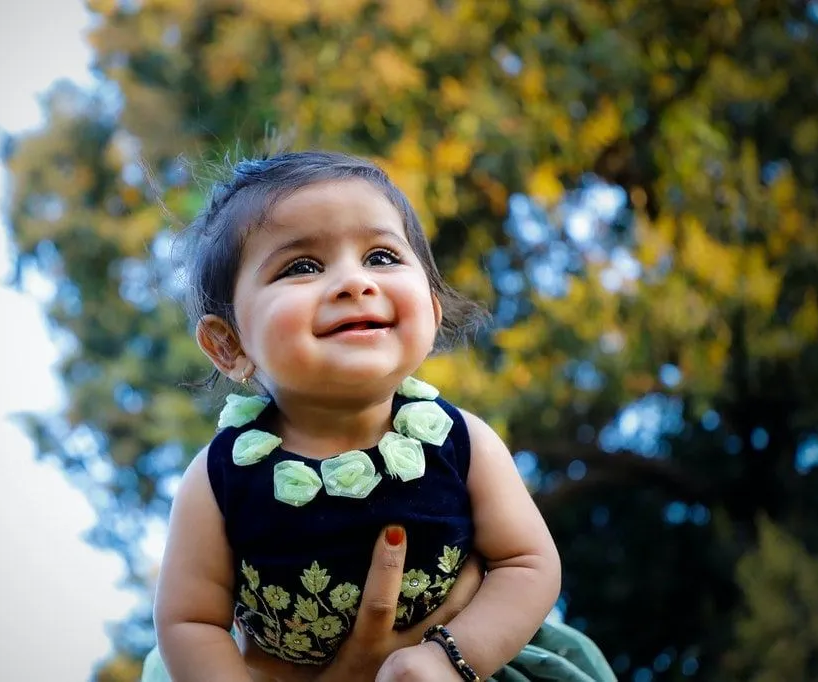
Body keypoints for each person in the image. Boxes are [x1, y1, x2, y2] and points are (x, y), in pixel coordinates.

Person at [147, 151, 615, 681]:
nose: (354, 282)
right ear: (227, 344)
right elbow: (190, 621)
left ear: (433, 312)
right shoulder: (218, 479)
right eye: (301, 266)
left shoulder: (462, 442)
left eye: (382, 257)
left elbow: (527, 564)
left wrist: (450, 658)